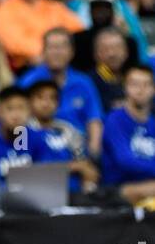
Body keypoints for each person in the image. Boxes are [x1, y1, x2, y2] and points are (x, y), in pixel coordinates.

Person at [18, 27, 103, 156]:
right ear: (43, 52)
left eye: (62, 47)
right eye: (52, 47)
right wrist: (20, 153)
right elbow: (18, 121)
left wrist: (93, 152)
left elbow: (94, 120)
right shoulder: (28, 82)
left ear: (72, 52)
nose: (57, 52)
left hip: (76, 152)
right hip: (38, 154)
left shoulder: (83, 83)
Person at [100, 65, 155, 205]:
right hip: (118, 190)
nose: (140, 90)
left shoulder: (153, 123)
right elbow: (125, 161)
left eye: (146, 84)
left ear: (153, 89)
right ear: (125, 87)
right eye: (135, 84)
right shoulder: (115, 120)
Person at [0, 85, 47, 179]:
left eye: (21, 108)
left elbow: (44, 176)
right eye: (10, 109)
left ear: (29, 112)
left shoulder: (37, 138)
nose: (16, 116)